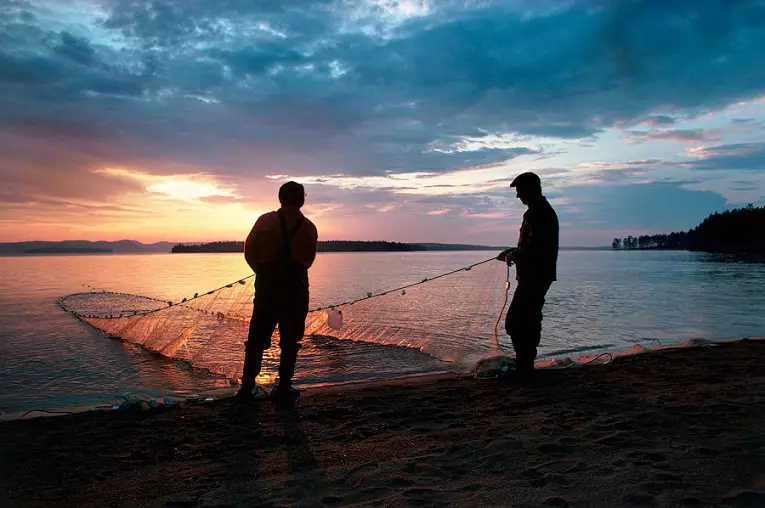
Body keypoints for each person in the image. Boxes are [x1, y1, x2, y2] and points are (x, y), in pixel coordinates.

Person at [237, 181, 318, 401]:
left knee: (257, 338)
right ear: (302, 199)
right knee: (291, 339)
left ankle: (247, 387)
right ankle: (284, 387)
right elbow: (309, 259)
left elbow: (249, 249)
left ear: (280, 198)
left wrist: (261, 270)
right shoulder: (309, 226)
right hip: (297, 285)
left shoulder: (266, 220)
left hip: (268, 283)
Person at [497, 172, 559, 380]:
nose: (517, 196)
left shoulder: (539, 213)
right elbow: (531, 245)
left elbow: (538, 249)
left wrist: (516, 254)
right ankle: (525, 365)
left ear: (531, 189)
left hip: (536, 276)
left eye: (519, 191)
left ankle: (525, 368)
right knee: (525, 320)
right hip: (534, 275)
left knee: (517, 321)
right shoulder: (536, 211)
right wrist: (511, 251)